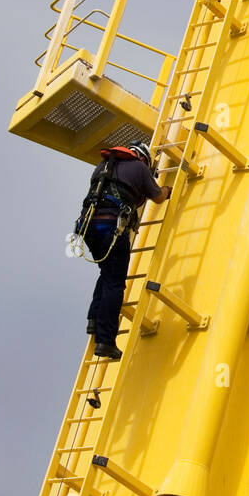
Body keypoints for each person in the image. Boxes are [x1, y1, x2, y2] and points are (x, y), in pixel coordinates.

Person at [75, 142, 169, 361]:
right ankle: (105, 341)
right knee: (115, 283)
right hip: (111, 228)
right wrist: (166, 189)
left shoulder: (102, 166)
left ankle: (93, 320)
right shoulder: (139, 167)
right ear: (143, 158)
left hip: (88, 227)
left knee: (107, 273)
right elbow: (157, 197)